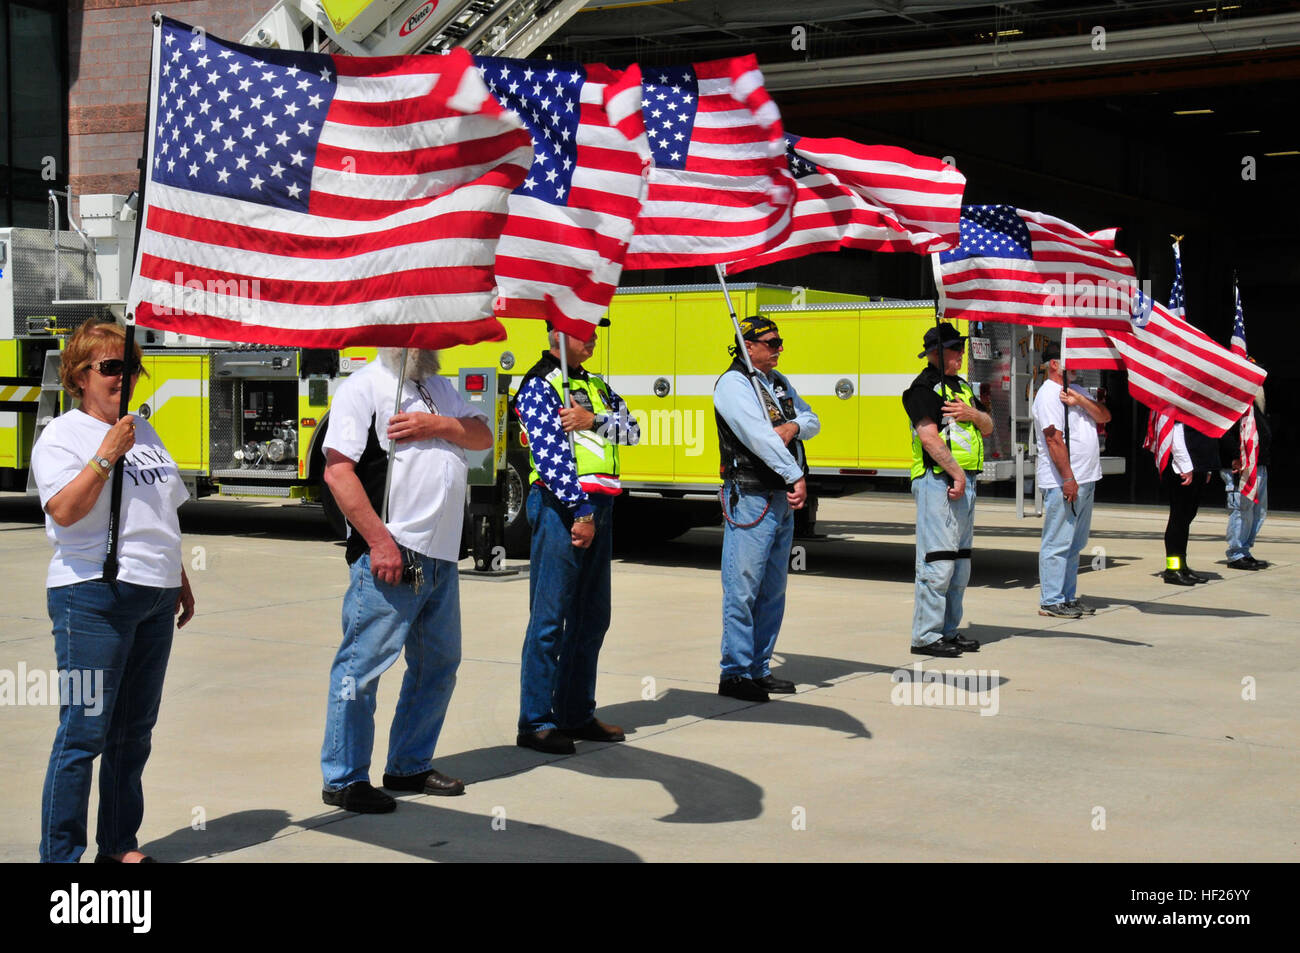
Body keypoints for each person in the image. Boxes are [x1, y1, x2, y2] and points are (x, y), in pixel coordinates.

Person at [32, 320, 195, 863]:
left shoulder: (145, 432)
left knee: (134, 735)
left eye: (131, 368)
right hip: (91, 596)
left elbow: (158, 513)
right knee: (82, 735)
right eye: (111, 368)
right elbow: (64, 510)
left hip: (153, 595)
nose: (123, 378)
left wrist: (179, 576)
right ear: (80, 376)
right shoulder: (62, 435)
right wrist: (105, 455)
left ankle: (118, 847)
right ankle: (60, 859)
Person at [320, 347, 492, 813]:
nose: (428, 341)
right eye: (416, 332)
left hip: (440, 556)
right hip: (393, 552)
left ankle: (409, 764)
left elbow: (483, 435)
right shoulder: (363, 388)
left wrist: (436, 426)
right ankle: (344, 776)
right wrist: (379, 542)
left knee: (438, 664)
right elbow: (338, 472)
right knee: (362, 668)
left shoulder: (438, 387)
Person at [515, 320, 640, 755]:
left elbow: (634, 431)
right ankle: (536, 722)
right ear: (556, 336)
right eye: (583, 330)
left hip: (598, 506)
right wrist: (580, 510)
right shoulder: (538, 384)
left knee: (591, 617)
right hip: (563, 508)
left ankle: (575, 713)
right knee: (550, 619)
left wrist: (593, 419)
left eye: (596, 330)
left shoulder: (595, 384)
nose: (593, 337)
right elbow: (549, 458)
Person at [713, 315, 820, 703]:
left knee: (773, 590)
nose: (779, 349)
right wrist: (795, 475)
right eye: (771, 343)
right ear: (748, 345)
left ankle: (758, 667)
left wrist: (792, 427)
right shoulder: (734, 384)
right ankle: (735, 672)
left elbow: (812, 419)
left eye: (779, 342)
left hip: (779, 498)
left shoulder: (777, 383)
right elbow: (757, 438)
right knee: (743, 588)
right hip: (751, 495)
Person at [901, 321, 993, 658]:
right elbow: (929, 437)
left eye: (961, 347)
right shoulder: (923, 389)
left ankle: (949, 631)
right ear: (936, 354)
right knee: (937, 561)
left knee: (959, 563)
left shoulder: (962, 388)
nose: (961, 353)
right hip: (939, 481)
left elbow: (988, 425)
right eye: (955, 348)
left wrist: (972, 413)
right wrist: (956, 475)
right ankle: (926, 636)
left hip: (962, 481)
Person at [1032, 343, 1111, 618]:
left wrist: (1081, 401)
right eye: (1070, 360)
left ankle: (1067, 596)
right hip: (1063, 481)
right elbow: (1054, 439)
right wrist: (1067, 478)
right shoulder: (1048, 395)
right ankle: (1051, 600)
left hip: (1086, 478)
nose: (1078, 365)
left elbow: (1105, 416)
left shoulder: (1076, 391)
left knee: (1075, 544)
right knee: (1057, 542)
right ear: (1054, 364)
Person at [1158, 418, 1218, 586]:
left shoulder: (1200, 405)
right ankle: (1173, 569)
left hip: (1198, 466)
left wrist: (1206, 467)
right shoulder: (1181, 403)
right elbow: (1176, 435)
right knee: (1178, 518)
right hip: (1184, 468)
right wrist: (1185, 465)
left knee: (1186, 518)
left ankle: (1182, 566)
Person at [1219, 389, 1270, 571]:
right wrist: (1235, 456)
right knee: (1241, 509)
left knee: (1258, 511)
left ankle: (1244, 551)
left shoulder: (1254, 405)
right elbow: (1223, 433)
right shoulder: (1233, 403)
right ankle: (1236, 554)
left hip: (1258, 465)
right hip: (1240, 466)